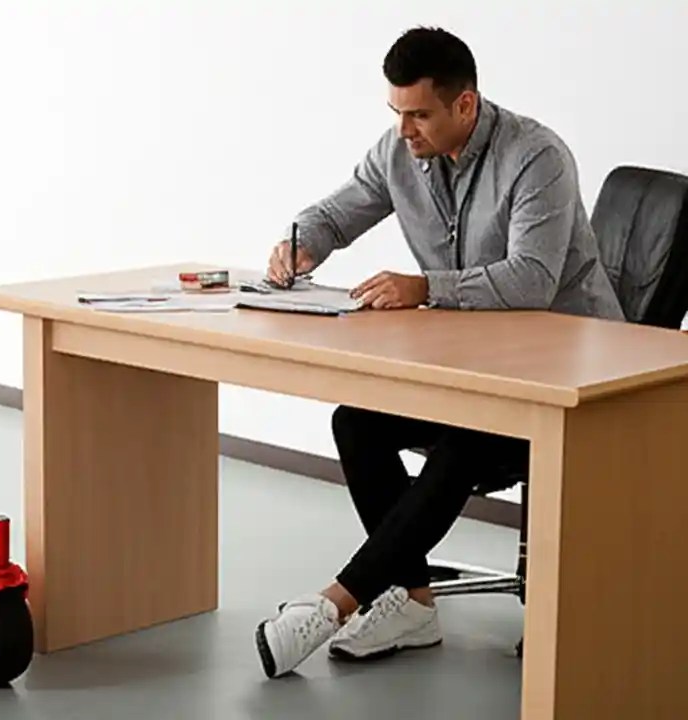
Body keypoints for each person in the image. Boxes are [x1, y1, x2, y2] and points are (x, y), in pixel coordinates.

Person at [254, 26, 625, 679]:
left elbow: (531, 280)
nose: (405, 131)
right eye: (396, 113)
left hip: (573, 378)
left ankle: (333, 604)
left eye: (419, 114)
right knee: (356, 421)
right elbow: (338, 213)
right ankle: (413, 603)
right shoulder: (401, 148)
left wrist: (425, 287)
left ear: (465, 104)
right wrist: (300, 243)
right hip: (481, 371)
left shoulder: (537, 157)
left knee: (464, 443)